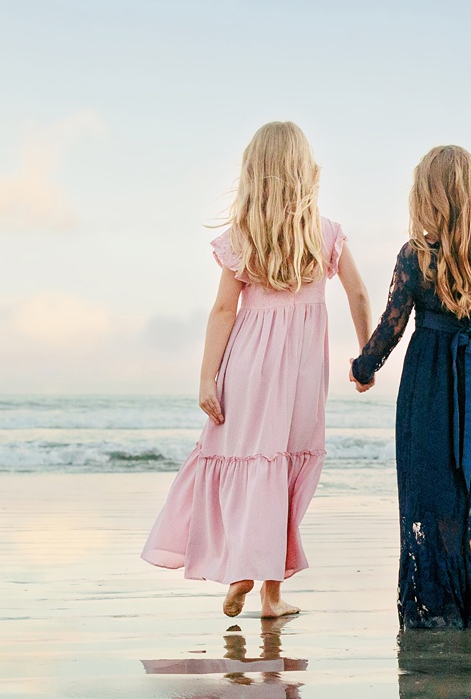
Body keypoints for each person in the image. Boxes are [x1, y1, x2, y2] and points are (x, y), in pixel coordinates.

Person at [142, 121, 371, 618]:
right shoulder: (326, 233)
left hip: (246, 367)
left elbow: (224, 311)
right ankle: (270, 596)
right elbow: (357, 292)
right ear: (305, 171)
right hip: (303, 374)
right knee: (283, 465)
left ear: (254, 173)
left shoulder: (244, 236)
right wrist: (365, 356)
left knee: (247, 463)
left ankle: (240, 570)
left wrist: (207, 378)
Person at [350, 145, 471, 628]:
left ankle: (430, 601)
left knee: (423, 485)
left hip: (429, 370)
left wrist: (364, 368)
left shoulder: (415, 255)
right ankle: (459, 597)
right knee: (459, 483)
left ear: (426, 196)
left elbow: (392, 322)